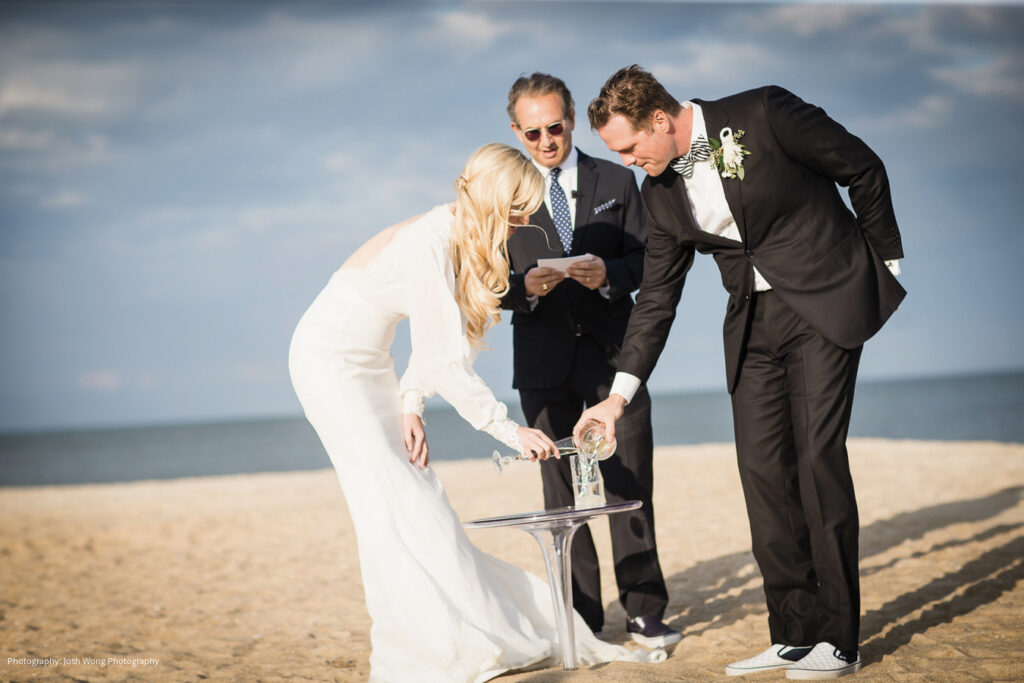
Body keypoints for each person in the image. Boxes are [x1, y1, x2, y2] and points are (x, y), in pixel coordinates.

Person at [575, 66, 906, 679]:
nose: (626, 160)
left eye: (628, 147)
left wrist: (884, 262)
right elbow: (656, 298)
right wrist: (617, 398)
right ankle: (793, 633)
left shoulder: (764, 112)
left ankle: (839, 638)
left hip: (822, 304)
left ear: (660, 119)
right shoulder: (659, 191)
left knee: (816, 461)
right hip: (751, 327)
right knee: (761, 474)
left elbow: (862, 165)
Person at [289, 143, 661, 682]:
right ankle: (424, 640)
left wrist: (409, 402)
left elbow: (439, 345)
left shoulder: (457, 235)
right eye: (516, 210)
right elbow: (441, 361)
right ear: (492, 200)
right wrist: (511, 430)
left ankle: (468, 626)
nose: (522, 222)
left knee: (418, 490)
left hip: (373, 367)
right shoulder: (430, 241)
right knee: (384, 499)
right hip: (329, 366)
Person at [501, 72, 679, 649]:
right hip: (542, 366)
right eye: (533, 133)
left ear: (572, 119)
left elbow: (652, 262)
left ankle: (645, 610)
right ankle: (580, 616)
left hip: (612, 355)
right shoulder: (506, 197)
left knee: (628, 485)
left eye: (555, 127)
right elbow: (484, 283)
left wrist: (609, 276)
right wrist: (524, 287)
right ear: (516, 132)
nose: (547, 141)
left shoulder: (617, 180)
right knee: (560, 499)